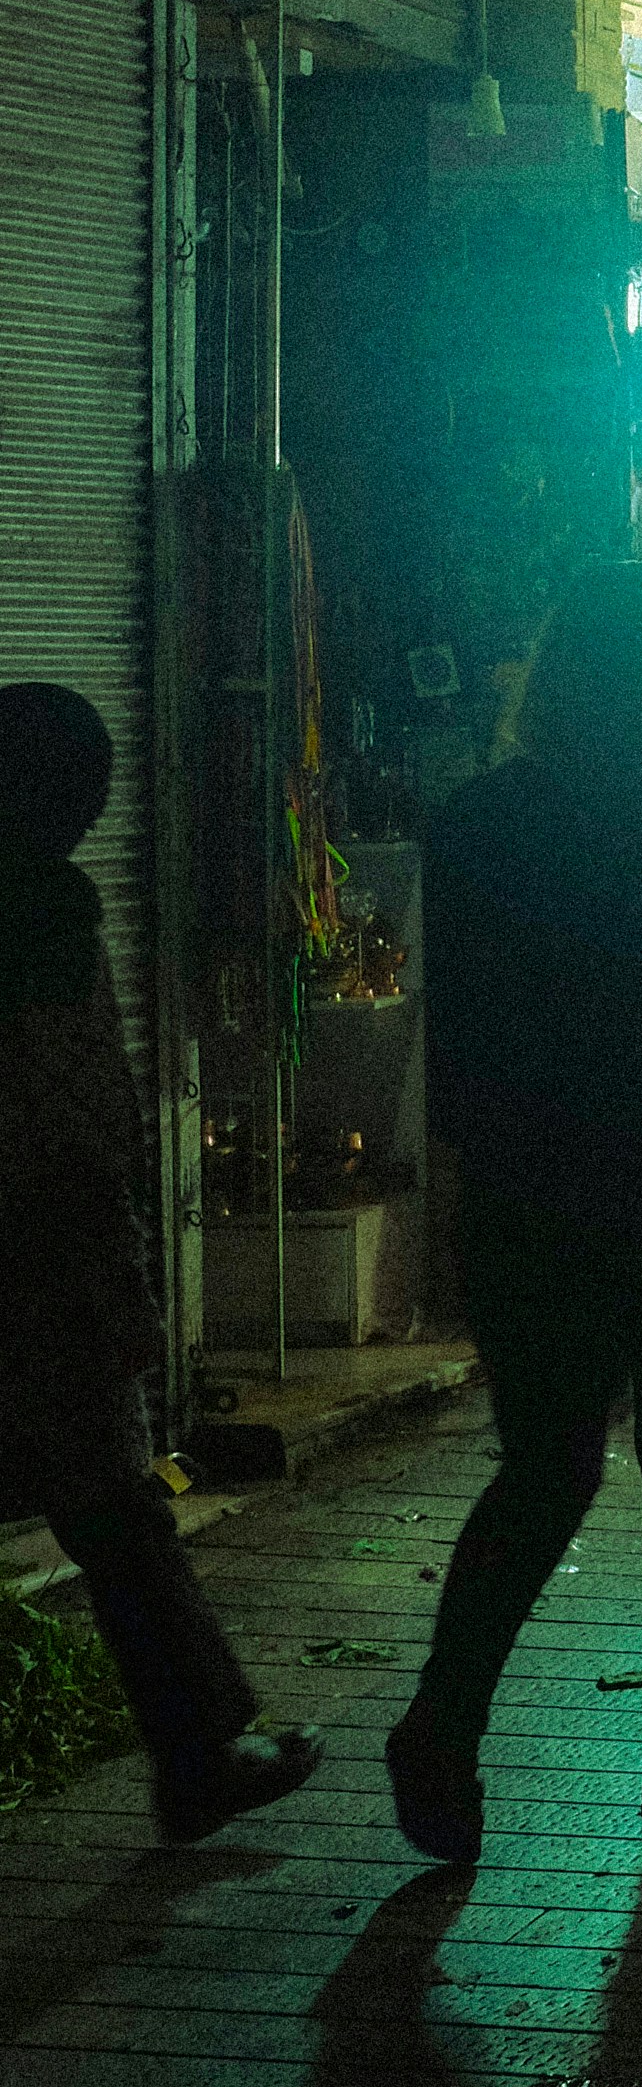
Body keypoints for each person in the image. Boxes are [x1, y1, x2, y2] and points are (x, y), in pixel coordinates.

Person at [388, 563, 642, 1864]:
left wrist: (468, 1183)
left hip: (529, 1199)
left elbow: (450, 1047)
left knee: (544, 1471)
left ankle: (443, 1724)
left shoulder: (477, 825)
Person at [0, 686, 323, 1845]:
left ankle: (199, 1747)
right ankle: (197, 1750)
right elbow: (70, 1120)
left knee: (117, 1518)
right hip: (42, 1269)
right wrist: (123, 1283)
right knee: (120, 1518)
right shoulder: (41, 911)